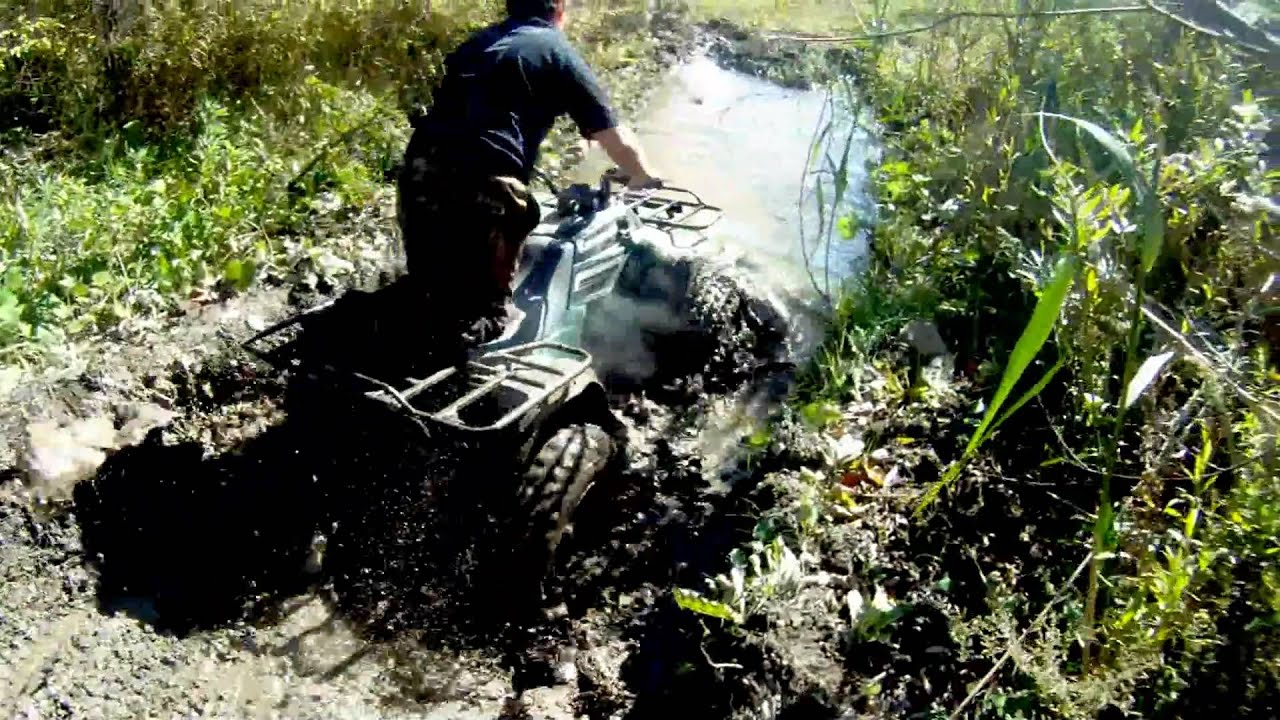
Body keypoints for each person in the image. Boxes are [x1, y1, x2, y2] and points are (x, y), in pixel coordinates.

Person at [396, 0, 663, 347]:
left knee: (432, 281)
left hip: (416, 179)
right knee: (487, 310)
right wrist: (643, 175)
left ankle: (419, 315)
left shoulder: (478, 42)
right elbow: (613, 135)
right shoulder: (555, 49)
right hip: (483, 192)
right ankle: (478, 340)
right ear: (560, 10)